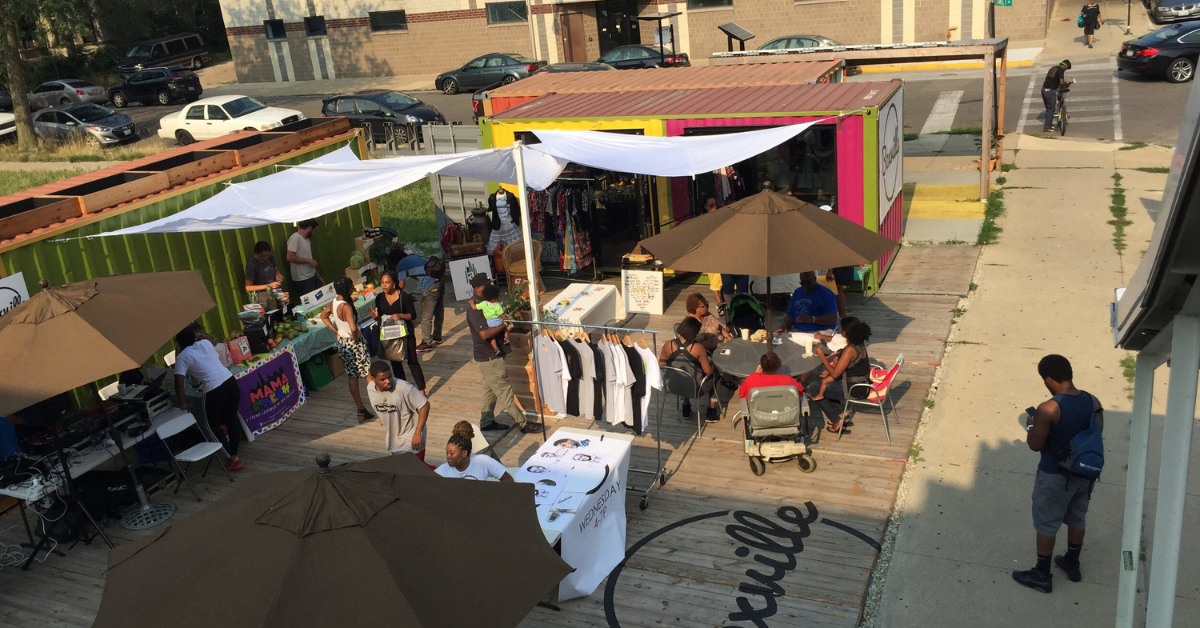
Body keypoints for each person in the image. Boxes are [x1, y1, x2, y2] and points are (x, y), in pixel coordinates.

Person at [1012, 354, 1102, 594]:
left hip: (1055, 475)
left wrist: (1032, 425)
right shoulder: (1092, 401)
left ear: (1049, 378)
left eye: (1044, 379)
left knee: (1047, 523)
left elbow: (1035, 444)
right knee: (1077, 517)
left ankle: (1042, 574)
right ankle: (1072, 563)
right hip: (1084, 473)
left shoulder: (1048, 408)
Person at [467, 273, 541, 434]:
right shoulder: (476, 310)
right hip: (489, 356)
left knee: (491, 389)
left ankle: (486, 422)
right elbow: (484, 334)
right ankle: (523, 424)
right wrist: (504, 324)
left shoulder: (485, 303)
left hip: (489, 355)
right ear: (479, 288)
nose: (490, 287)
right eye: (486, 285)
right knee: (504, 391)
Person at [173, 325, 244, 472]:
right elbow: (211, 341)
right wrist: (202, 335)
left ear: (178, 343)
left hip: (213, 389)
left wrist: (183, 404)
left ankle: (232, 458)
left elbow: (179, 384)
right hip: (230, 382)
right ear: (194, 336)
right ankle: (234, 452)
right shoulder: (204, 343)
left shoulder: (182, 357)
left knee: (211, 426)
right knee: (231, 419)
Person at [321, 277, 372, 423]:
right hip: (354, 343)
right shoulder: (346, 307)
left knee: (352, 376)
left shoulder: (333, 302)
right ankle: (378, 403)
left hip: (343, 343)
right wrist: (356, 337)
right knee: (368, 373)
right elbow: (353, 327)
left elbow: (323, 316)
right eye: (351, 287)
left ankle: (360, 408)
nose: (352, 290)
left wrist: (334, 330)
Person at [806, 321, 872, 433]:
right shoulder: (860, 345)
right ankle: (840, 412)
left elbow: (835, 373)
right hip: (862, 384)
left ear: (845, 333)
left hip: (853, 389)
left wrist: (822, 356)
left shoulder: (850, 349)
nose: (839, 332)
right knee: (822, 382)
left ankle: (836, 420)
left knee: (813, 387)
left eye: (840, 329)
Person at [371, 270, 426, 395]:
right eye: (382, 283)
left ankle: (422, 390)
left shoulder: (404, 296)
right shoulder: (379, 298)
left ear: (394, 283)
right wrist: (375, 317)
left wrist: (400, 315)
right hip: (390, 335)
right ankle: (403, 389)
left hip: (406, 335)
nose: (384, 285)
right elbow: (381, 318)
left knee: (412, 361)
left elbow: (412, 315)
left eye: (387, 282)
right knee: (395, 362)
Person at [658, 317, 720, 423]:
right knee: (716, 375)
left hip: (672, 385)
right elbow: (708, 371)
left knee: (684, 375)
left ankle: (686, 405)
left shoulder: (668, 345)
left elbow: (661, 365)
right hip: (695, 389)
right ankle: (711, 409)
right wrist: (713, 365)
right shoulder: (698, 348)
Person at [365, 360, 430, 460]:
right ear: (373, 379)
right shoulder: (370, 388)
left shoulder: (404, 388)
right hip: (393, 440)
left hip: (412, 439)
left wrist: (418, 433)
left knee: (415, 472)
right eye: (383, 379)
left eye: (389, 376)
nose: (388, 381)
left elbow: (424, 405)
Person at [392, 244, 445, 353]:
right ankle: (437, 336)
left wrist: (394, 292)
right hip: (439, 281)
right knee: (438, 311)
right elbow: (418, 272)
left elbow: (401, 285)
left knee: (426, 315)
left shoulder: (401, 264)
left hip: (430, 286)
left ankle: (426, 342)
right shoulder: (412, 257)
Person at [435, 421, 514, 481]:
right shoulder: (441, 472)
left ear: (464, 453)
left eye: (452, 454)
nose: (448, 456)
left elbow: (507, 478)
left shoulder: (483, 461)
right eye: (447, 453)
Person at [779, 271, 839, 335]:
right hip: (798, 331)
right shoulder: (797, 292)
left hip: (821, 331)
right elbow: (790, 314)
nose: (805, 285)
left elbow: (832, 318)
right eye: (802, 283)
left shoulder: (826, 294)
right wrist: (785, 325)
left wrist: (812, 319)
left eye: (808, 283)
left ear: (815, 279)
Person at [737, 351, 802, 403]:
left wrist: (755, 374)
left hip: (759, 417)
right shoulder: (788, 380)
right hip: (784, 416)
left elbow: (742, 394)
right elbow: (800, 392)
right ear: (778, 365)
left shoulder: (752, 379)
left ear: (761, 366)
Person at [287, 219, 323, 297]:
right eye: (315, 231)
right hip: (302, 279)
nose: (314, 234)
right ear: (310, 228)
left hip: (311, 275)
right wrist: (308, 261)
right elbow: (289, 257)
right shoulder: (295, 238)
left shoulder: (307, 240)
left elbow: (310, 260)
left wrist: (318, 276)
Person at [470, 284, 507, 357]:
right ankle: (506, 338)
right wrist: (507, 321)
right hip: (498, 321)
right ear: (495, 297)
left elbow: (474, 308)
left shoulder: (484, 304)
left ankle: (496, 349)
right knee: (505, 327)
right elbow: (502, 316)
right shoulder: (497, 305)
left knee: (492, 337)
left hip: (490, 323)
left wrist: (471, 302)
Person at [244, 240, 284, 309]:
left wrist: (278, 274)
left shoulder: (269, 257)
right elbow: (248, 287)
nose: (265, 258)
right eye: (263, 256)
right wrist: (269, 286)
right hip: (262, 296)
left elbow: (276, 269)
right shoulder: (252, 265)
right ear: (257, 253)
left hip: (275, 292)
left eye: (267, 255)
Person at [486, 187, 523, 256]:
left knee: (515, 247)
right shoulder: (492, 198)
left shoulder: (511, 197)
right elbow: (490, 211)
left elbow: (517, 211)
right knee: (498, 249)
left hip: (511, 225)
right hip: (498, 225)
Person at [1041, 60, 1071, 133]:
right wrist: (1066, 83)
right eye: (1066, 69)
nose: (1065, 70)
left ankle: (1049, 124)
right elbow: (1061, 82)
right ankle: (1047, 127)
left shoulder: (1054, 68)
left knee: (1049, 109)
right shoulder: (1061, 70)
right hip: (1050, 91)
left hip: (1044, 89)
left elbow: (1052, 79)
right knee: (1051, 110)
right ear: (1065, 66)